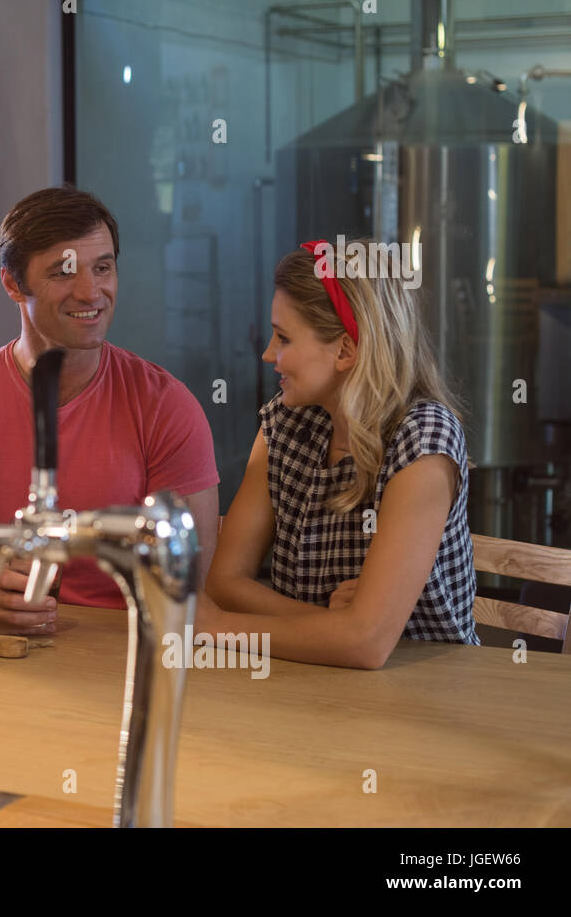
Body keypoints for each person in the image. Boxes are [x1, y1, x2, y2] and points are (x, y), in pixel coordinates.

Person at [0, 186, 220, 634]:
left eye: (102, 268)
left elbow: (188, 589)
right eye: (64, 272)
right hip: (3, 663)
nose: (90, 292)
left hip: (125, 659)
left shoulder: (167, 406)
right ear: (11, 282)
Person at [201, 239, 478, 670]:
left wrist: (216, 629)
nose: (268, 354)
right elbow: (224, 582)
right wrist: (341, 627)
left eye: (284, 338)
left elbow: (366, 646)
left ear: (346, 351)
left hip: (428, 693)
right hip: (309, 673)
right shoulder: (286, 422)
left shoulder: (423, 438)